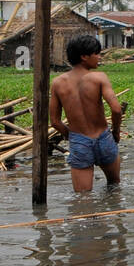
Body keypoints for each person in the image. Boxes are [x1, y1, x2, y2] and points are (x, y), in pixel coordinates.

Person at [50, 34, 124, 192]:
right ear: (84, 56)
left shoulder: (58, 83)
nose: (99, 57)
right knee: (114, 188)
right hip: (103, 138)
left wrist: (72, 136)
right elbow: (116, 109)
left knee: (82, 197)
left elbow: (55, 122)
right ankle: (113, 215)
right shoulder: (99, 78)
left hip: (80, 141)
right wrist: (116, 132)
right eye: (96, 54)